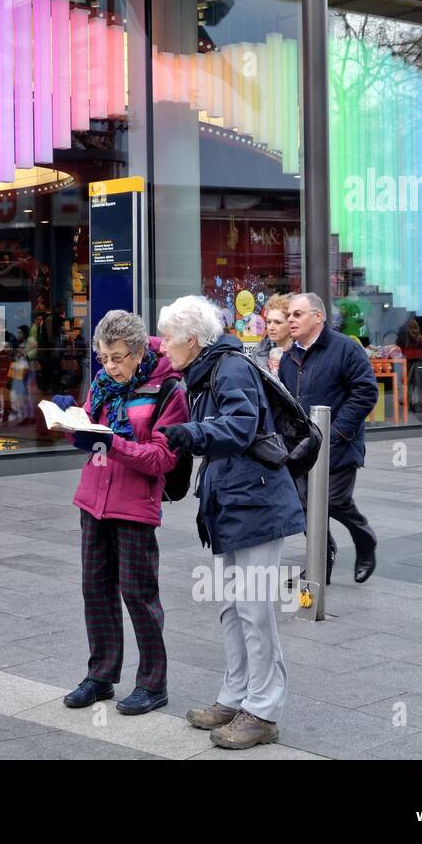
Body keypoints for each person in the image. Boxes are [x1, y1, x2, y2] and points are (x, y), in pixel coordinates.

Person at [157, 295, 304, 749]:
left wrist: (188, 434)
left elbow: (240, 428)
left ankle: (263, 710)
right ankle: (235, 695)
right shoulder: (204, 372)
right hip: (233, 501)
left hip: (256, 500)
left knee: (255, 610)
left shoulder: (230, 368)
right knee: (230, 605)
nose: (163, 347)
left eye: (168, 339)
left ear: (192, 340)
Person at [52, 309, 189, 717]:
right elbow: (92, 426)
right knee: (95, 588)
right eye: (103, 357)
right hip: (93, 497)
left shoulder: (168, 388)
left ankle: (153, 683)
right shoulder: (102, 383)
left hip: (135, 504)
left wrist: (115, 445)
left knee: (138, 594)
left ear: (137, 350)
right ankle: (101, 675)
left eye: (117, 357)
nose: (110, 366)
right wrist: (71, 421)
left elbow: (164, 457)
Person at [279, 292, 380, 584]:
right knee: (305, 506)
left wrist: (336, 432)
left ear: (318, 316)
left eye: (297, 314)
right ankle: (320, 561)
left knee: (334, 501)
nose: (291, 320)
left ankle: (365, 540)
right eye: (289, 315)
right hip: (303, 448)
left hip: (339, 446)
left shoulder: (346, 349)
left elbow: (366, 392)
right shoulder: (290, 358)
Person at [254, 293, 293, 376]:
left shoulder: (301, 354)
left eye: (278, 322)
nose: (271, 327)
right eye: (268, 322)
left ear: (291, 324)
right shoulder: (259, 352)